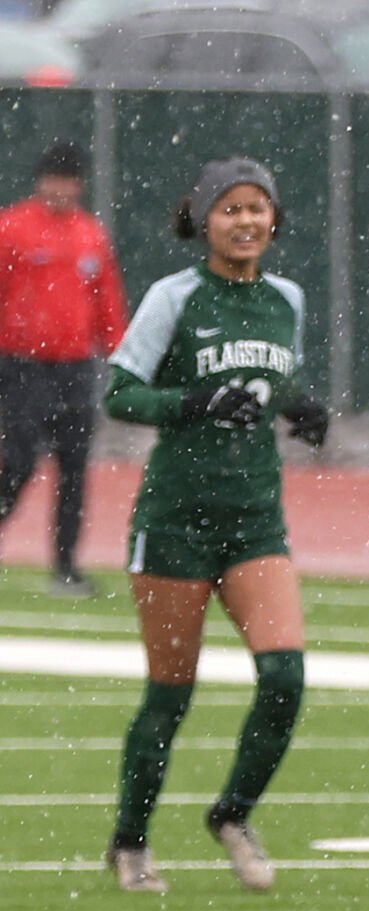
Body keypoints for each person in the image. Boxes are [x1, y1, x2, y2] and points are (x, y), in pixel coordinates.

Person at [101, 155, 329, 893]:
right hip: (175, 518)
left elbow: (274, 375)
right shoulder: (176, 296)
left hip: (255, 516)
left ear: (275, 218)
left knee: (285, 675)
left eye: (257, 207)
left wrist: (300, 404)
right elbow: (120, 393)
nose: (245, 221)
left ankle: (232, 813)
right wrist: (190, 404)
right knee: (171, 692)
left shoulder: (286, 296)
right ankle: (130, 842)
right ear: (203, 219)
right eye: (230, 209)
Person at [0, 141, 128, 597]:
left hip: (75, 366)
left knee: (74, 468)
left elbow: (107, 302)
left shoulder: (91, 235)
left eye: (68, 179)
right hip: (22, 366)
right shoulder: (12, 228)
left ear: (80, 185)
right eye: (53, 178)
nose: (60, 188)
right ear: (39, 181)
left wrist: (120, 354)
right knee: (17, 461)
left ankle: (66, 566)